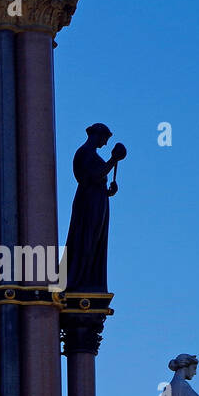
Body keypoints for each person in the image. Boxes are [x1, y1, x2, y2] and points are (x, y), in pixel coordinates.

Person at [64, 123, 125, 293]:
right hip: (89, 202)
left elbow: (98, 178)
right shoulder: (84, 152)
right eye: (105, 138)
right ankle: (78, 280)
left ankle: (88, 278)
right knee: (87, 239)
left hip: (96, 200)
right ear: (98, 135)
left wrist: (108, 191)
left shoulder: (90, 153)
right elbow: (94, 175)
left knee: (94, 240)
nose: (105, 143)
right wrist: (114, 159)